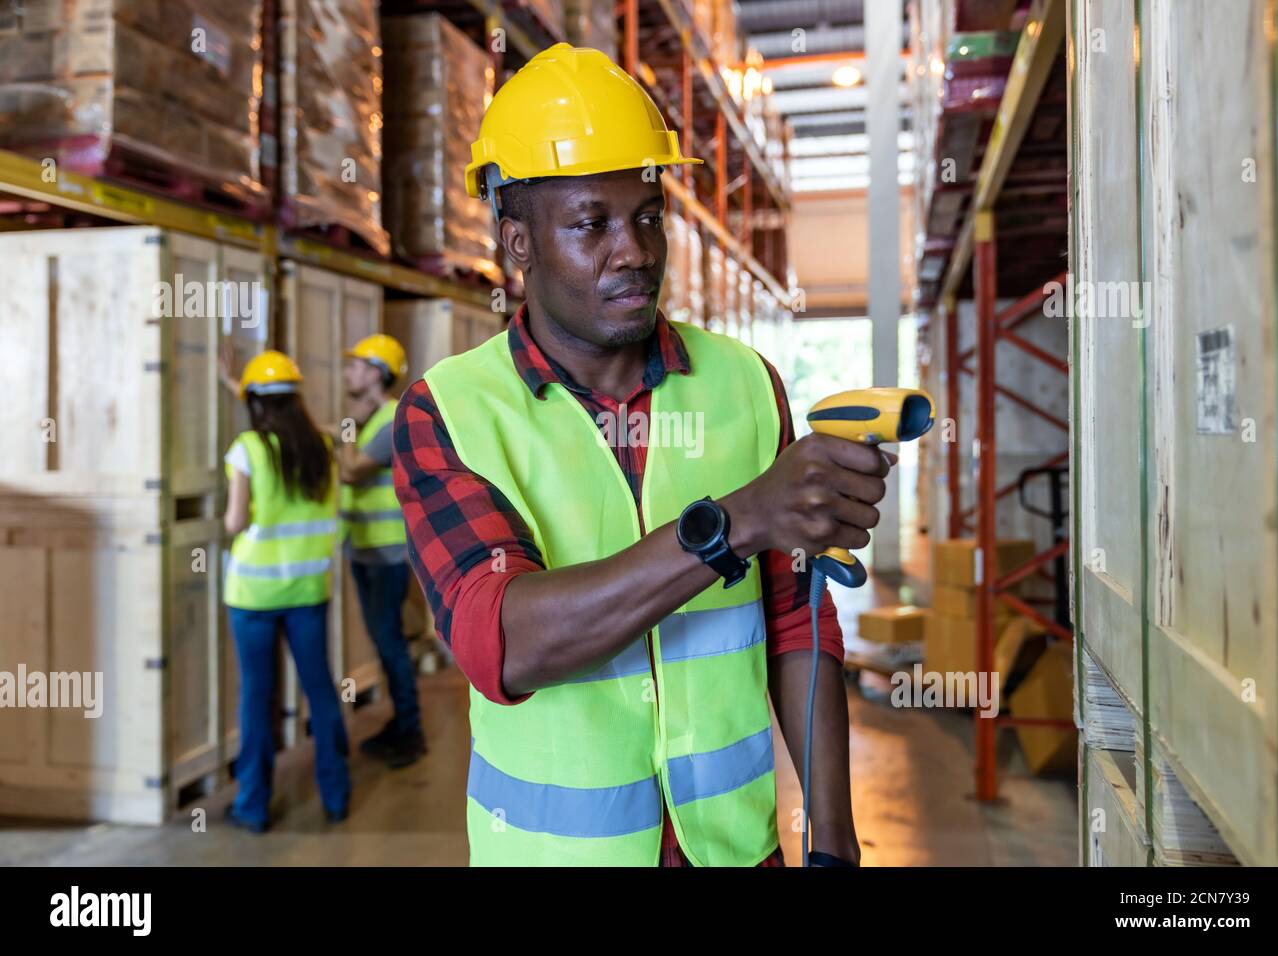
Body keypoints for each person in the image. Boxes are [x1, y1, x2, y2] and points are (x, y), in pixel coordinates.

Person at [393, 43, 890, 867]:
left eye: (649, 216)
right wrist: (737, 521)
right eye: (592, 224)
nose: (634, 250)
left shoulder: (744, 383)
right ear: (517, 246)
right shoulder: (450, 412)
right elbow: (503, 643)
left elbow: (798, 616)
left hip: (735, 850)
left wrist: (832, 842)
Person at [220, 348, 351, 832]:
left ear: (256, 402)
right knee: (320, 691)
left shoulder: (248, 449)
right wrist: (234, 382)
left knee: (257, 697)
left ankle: (253, 806)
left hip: (254, 597)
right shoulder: (321, 445)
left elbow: (236, 520)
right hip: (307, 590)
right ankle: (336, 795)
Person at [337, 334, 426, 768]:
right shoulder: (373, 418)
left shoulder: (389, 417)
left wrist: (346, 428)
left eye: (355, 365)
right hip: (368, 550)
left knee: (389, 640)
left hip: (384, 554)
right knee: (385, 639)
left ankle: (410, 731)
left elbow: (351, 470)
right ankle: (402, 722)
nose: (348, 372)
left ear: (376, 372)